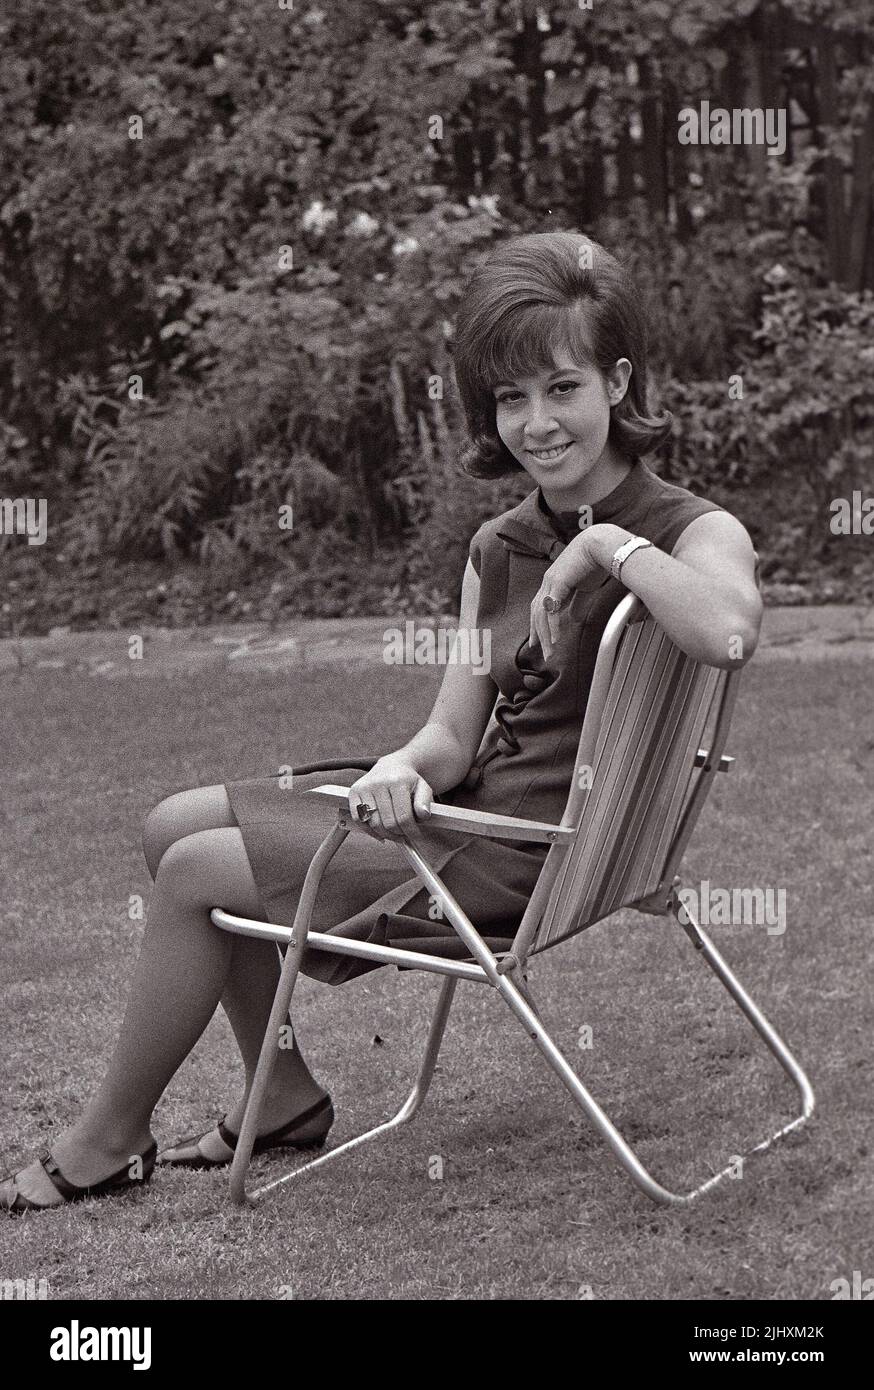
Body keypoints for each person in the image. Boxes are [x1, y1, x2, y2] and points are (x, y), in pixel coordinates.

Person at [1, 230, 762, 1212]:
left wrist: (606, 546)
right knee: (168, 824)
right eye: (510, 397)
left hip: (522, 856)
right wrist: (402, 767)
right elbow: (450, 737)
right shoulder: (498, 546)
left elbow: (728, 634)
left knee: (193, 873)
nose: (536, 422)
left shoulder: (693, 531)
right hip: (469, 812)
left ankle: (107, 1139)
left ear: (616, 381)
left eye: (561, 387)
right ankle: (277, 1094)